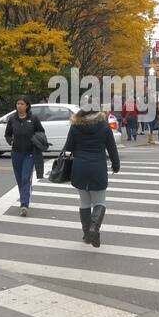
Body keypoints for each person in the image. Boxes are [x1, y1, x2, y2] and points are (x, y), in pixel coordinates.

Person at [62, 106, 120, 248]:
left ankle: (87, 234)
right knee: (99, 201)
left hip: (79, 168)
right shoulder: (104, 126)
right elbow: (111, 147)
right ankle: (94, 228)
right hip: (97, 168)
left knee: (84, 202)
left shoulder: (75, 127)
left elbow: (68, 149)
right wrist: (115, 164)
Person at [4, 96, 45, 217]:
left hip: (30, 153)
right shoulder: (12, 119)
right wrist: (10, 141)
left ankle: (24, 205)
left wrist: (36, 140)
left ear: (27, 106)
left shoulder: (33, 119)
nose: (19, 106)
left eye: (22, 104)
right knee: (20, 179)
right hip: (16, 153)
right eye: (17, 104)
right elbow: (7, 134)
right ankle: (25, 193)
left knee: (25, 177)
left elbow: (41, 132)